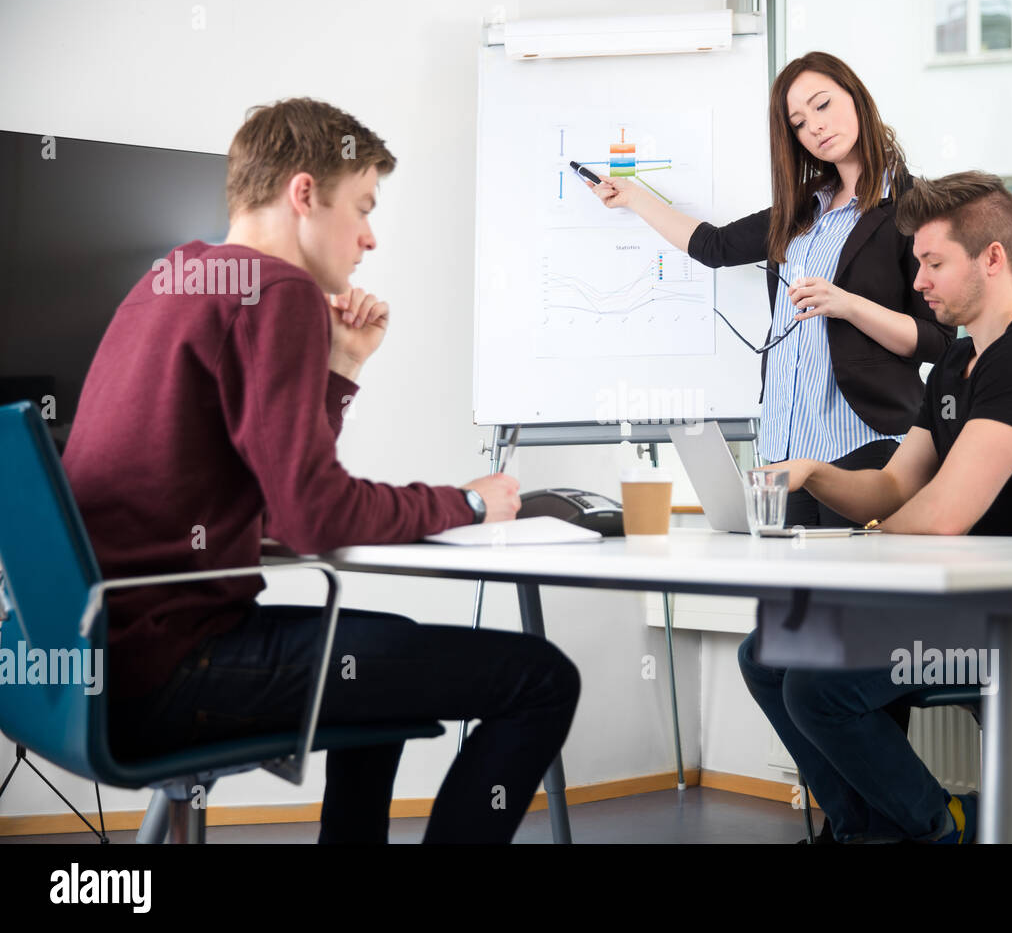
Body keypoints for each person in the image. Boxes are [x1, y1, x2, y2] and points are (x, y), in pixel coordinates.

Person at [63, 97, 580, 844]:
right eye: (363, 206)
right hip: (178, 664)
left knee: (381, 669)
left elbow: (272, 493)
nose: (370, 237)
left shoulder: (172, 279)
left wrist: (340, 368)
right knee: (542, 678)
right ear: (303, 193)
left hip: (111, 661)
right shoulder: (280, 291)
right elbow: (314, 516)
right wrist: (465, 504)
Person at [740, 171, 1012, 844]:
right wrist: (815, 474)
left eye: (935, 263)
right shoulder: (955, 364)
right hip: (974, 611)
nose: (919, 282)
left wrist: (859, 544)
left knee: (817, 689)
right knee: (766, 655)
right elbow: (892, 488)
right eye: (919, 264)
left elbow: (943, 514)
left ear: (992, 259)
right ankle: (868, 832)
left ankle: (943, 828)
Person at [588, 52, 956, 527]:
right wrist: (633, 197)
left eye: (822, 105)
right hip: (784, 444)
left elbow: (939, 341)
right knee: (790, 594)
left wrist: (848, 305)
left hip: (866, 443)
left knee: (852, 589)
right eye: (800, 123)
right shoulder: (802, 210)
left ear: (856, 97)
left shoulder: (913, 205)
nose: (816, 128)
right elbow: (714, 245)